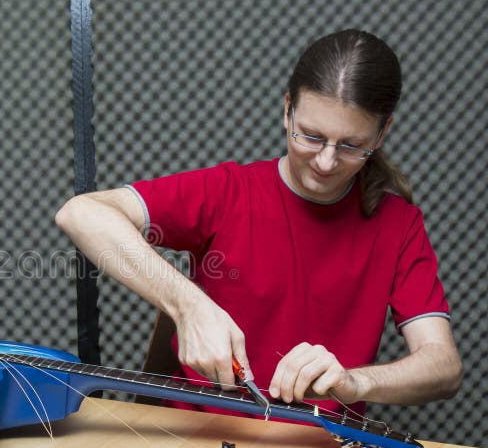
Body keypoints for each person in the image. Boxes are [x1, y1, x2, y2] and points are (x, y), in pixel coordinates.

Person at [56, 29, 461, 417]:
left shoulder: (399, 224)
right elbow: (80, 213)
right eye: (311, 136)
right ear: (287, 111)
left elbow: (443, 368)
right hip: (200, 441)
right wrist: (189, 306)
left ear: (382, 133)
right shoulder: (230, 191)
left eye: (352, 146)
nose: (326, 162)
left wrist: (356, 382)